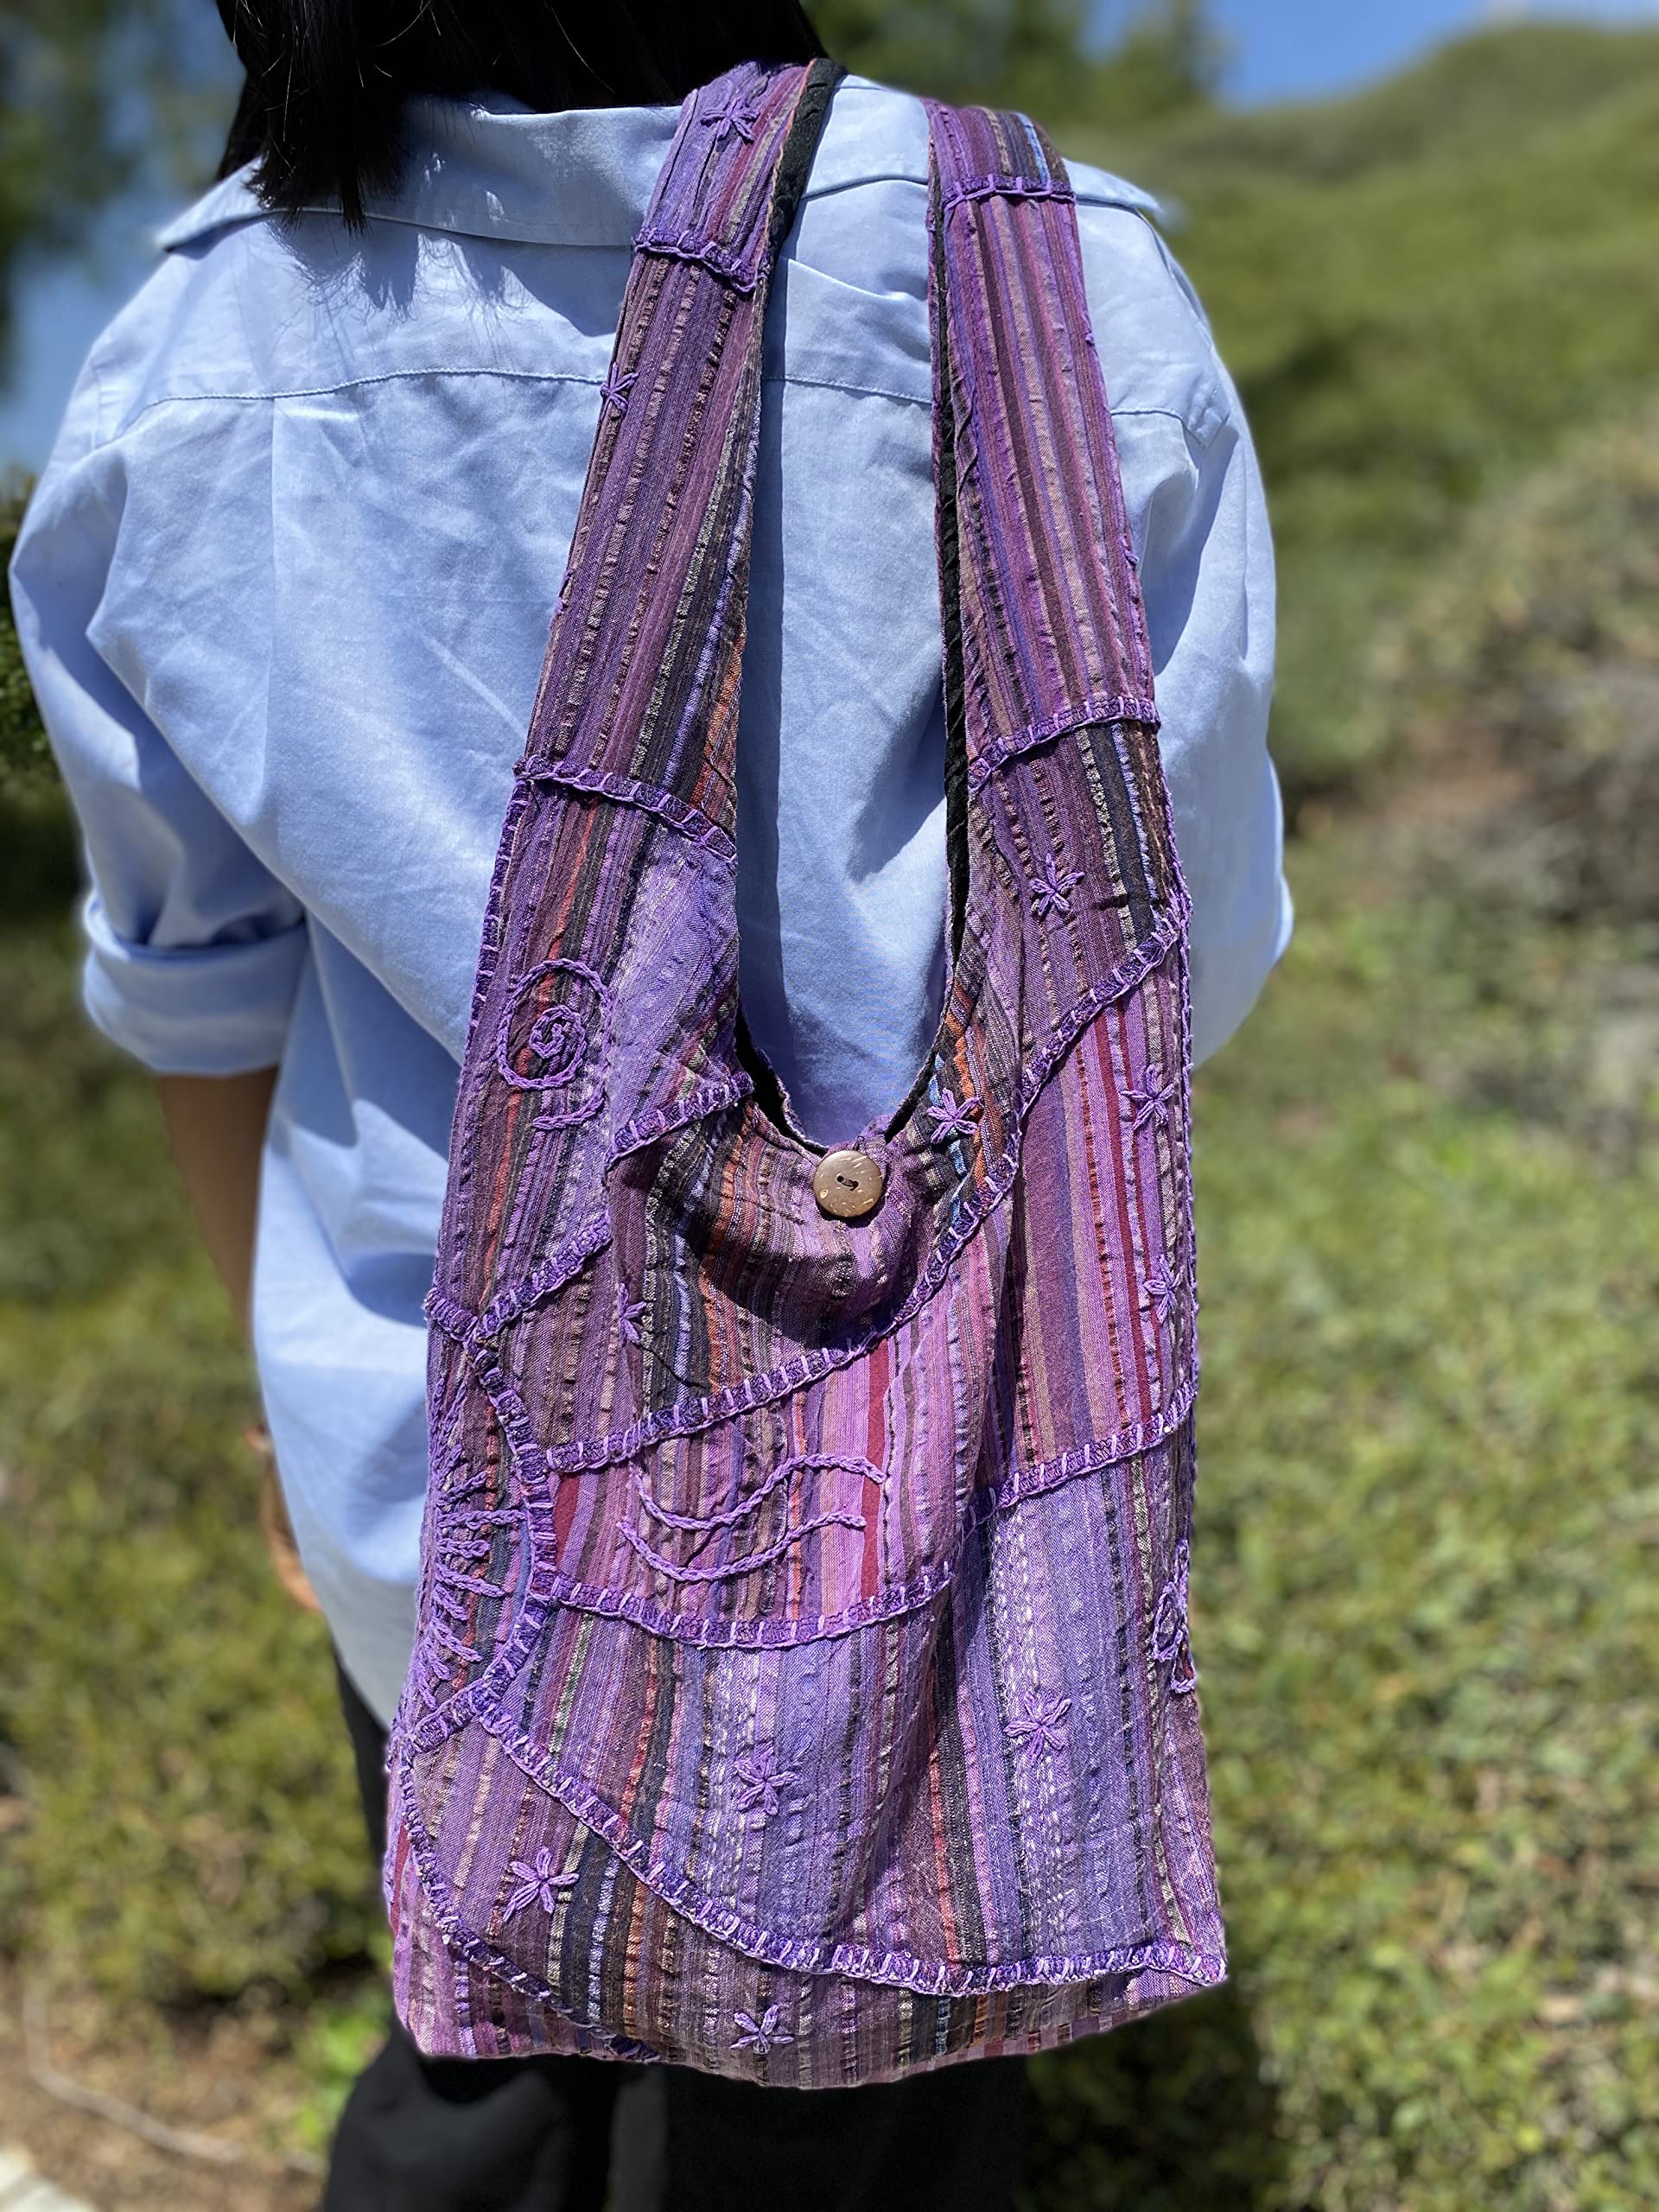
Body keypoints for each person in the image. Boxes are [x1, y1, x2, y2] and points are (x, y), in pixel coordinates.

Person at [9, 2, 1292, 2204]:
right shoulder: (1059, 264)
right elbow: (1183, 955)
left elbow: (206, 994)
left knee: (491, 2050)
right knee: (847, 2118)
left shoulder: (200, 337)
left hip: (429, 1449)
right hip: (913, 1523)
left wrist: (269, 1381)